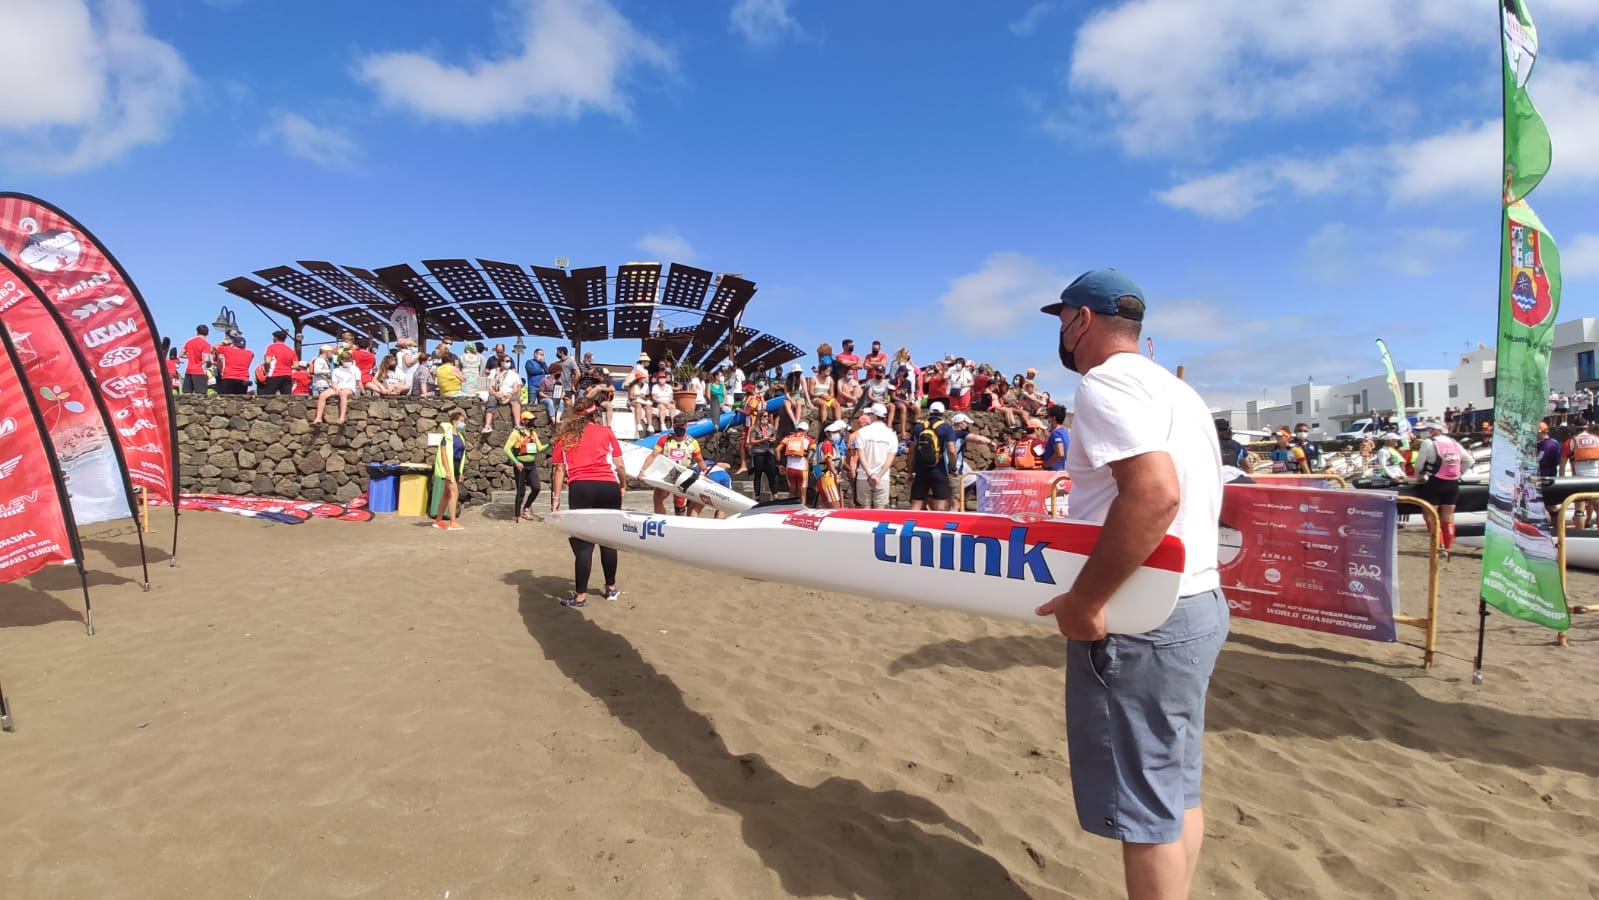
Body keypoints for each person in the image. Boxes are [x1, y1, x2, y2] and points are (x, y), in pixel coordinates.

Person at [1032, 268, 1227, 900]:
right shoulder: (1174, 389)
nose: (1060, 333)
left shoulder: (1106, 383)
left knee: (1145, 812)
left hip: (1144, 614)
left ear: (1082, 320)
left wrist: (1086, 601)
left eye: (1061, 320)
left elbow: (1154, 496)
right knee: (1174, 789)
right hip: (1197, 599)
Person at [549, 397, 627, 608]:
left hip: (581, 487)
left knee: (584, 545)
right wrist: (622, 485)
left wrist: (555, 500)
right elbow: (619, 464)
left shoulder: (566, 436)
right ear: (595, 414)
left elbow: (559, 470)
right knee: (608, 541)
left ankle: (581, 596)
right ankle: (611, 588)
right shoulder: (606, 432)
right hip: (608, 486)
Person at [1411, 420, 1465, 553]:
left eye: (1428, 429)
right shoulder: (1454, 443)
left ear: (1433, 430)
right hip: (1453, 483)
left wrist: (1419, 477)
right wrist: (1460, 473)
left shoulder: (1428, 443)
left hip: (1434, 482)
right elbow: (1469, 460)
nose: (1426, 432)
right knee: (1447, 517)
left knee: (1430, 515)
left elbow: (1419, 464)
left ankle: (1439, 545)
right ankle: (1448, 547)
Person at [641, 414, 705, 515]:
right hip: (667, 473)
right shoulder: (664, 439)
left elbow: (699, 460)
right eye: (677, 426)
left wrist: (706, 473)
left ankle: (679, 524)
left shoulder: (693, 443)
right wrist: (642, 471)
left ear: (686, 426)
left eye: (682, 426)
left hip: (683, 476)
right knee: (657, 498)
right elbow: (653, 455)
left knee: (679, 507)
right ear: (673, 426)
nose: (679, 428)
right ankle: (661, 521)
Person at [908, 402, 958, 511]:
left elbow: (911, 451)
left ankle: (910, 526)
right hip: (939, 471)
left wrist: (910, 471)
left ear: (929, 412)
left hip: (920, 471)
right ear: (943, 413)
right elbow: (952, 451)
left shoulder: (918, 427)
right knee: (939, 505)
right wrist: (953, 468)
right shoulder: (947, 428)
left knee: (916, 504)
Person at [853, 403, 898, 509]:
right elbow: (889, 459)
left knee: (865, 510)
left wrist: (870, 474)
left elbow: (861, 455)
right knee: (880, 511)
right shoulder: (891, 434)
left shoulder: (862, 432)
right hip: (883, 477)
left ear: (873, 416)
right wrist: (878, 476)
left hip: (864, 476)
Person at [433, 409, 469, 531]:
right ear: (454, 422)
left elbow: (461, 456)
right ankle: (453, 522)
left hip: (456, 466)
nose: (463, 424)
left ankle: (438, 520)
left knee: (447, 494)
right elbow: (443, 454)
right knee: (454, 493)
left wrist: (460, 472)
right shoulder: (446, 436)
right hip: (448, 467)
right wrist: (448, 471)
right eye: (461, 421)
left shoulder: (460, 436)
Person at [743, 408, 781, 500]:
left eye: (767, 416)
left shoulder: (770, 427)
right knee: (758, 474)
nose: (766, 418)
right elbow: (752, 441)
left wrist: (772, 440)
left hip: (769, 451)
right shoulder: (754, 428)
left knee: (771, 473)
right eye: (764, 416)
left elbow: (774, 436)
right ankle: (757, 495)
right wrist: (763, 439)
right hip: (758, 452)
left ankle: (775, 494)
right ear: (760, 417)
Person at [1567, 420, 1599, 529]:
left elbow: (1571, 458)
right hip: (1595, 478)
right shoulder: (1596, 439)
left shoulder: (1573, 441)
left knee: (1579, 509)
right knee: (1598, 508)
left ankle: (1580, 534)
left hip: (1580, 478)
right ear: (1587, 427)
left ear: (1575, 428)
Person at [813, 420, 849, 508]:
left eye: (837, 431)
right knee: (835, 509)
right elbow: (829, 460)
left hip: (823, 478)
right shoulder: (827, 444)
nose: (837, 434)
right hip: (828, 478)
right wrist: (836, 474)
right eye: (834, 432)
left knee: (828, 508)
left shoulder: (821, 444)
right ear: (827, 433)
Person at [779, 421, 816, 500]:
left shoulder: (788, 437)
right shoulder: (808, 440)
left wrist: (779, 464)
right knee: (802, 495)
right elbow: (815, 449)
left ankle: (791, 510)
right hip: (802, 469)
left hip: (790, 468)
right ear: (806, 431)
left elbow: (777, 449)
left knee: (792, 493)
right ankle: (802, 511)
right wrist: (808, 457)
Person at [260, 330, 296, 395]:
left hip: (274, 374)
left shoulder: (271, 347)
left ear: (276, 338)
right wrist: (287, 367)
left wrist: (267, 371)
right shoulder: (290, 350)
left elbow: (267, 361)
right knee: (286, 398)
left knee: (268, 397)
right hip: (287, 376)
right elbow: (296, 365)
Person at [181, 325, 213, 394]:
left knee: (187, 394)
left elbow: (181, 354)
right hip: (199, 371)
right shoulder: (206, 344)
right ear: (207, 333)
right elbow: (206, 359)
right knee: (201, 394)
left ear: (197, 332)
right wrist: (210, 363)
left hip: (189, 370)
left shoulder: (189, 342)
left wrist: (190, 356)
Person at [1042, 404, 1071, 471]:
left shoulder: (1056, 434)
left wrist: (1046, 465)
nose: (1048, 419)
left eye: (1048, 417)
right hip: (1062, 470)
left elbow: (1060, 453)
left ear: (1053, 418)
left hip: (1053, 472)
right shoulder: (1064, 432)